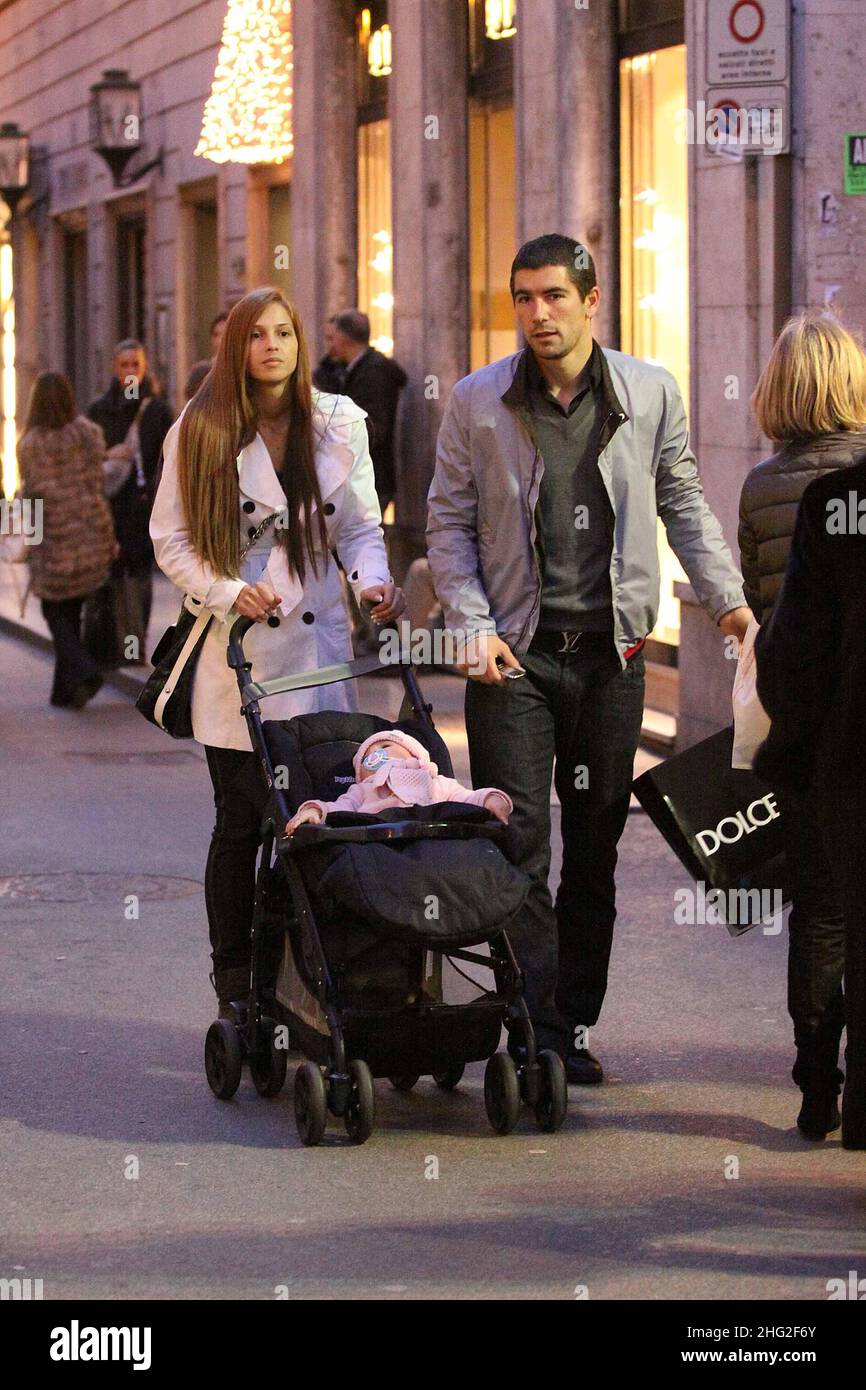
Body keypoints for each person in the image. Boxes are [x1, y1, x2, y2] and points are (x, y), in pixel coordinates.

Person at [427, 232, 751, 1083]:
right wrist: (469, 622)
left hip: (614, 658)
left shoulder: (648, 392)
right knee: (521, 838)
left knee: (596, 846)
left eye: (554, 297)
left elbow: (684, 500)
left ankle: (569, 1023)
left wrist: (729, 603)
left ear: (591, 299)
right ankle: (532, 1025)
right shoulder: (476, 401)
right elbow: (449, 524)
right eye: (523, 299)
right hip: (517, 659)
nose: (538, 314)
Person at [149, 286, 404, 1017]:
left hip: (322, 654)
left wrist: (374, 584)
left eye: (285, 332)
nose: (273, 345)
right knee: (243, 822)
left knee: (318, 818)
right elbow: (170, 539)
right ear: (237, 346)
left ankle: (310, 976)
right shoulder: (201, 430)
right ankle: (236, 982)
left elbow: (358, 526)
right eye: (257, 333)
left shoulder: (337, 421)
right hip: (242, 664)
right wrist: (230, 590)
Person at [739, 313, 866, 1140]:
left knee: (818, 909)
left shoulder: (763, 485)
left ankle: (817, 1084)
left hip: (816, 734)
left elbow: (766, 606)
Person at [17, 372, 116, 707]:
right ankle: (63, 693)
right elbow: (97, 484)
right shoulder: (88, 434)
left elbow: (30, 497)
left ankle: (85, 669)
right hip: (90, 531)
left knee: (54, 611)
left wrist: (18, 536)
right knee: (72, 610)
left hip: (53, 540)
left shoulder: (30, 444)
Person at [86, 339, 173, 663]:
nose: (131, 373)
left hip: (143, 508)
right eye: (125, 366)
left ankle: (134, 648)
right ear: (115, 368)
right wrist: (108, 454)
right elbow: (87, 456)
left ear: (145, 366)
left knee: (138, 581)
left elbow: (169, 457)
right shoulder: (100, 409)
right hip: (107, 509)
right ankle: (110, 648)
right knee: (109, 581)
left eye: (136, 365)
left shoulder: (157, 410)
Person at [286, 728, 512, 832]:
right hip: (378, 840)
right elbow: (338, 809)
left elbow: (466, 798)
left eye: (385, 747)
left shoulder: (433, 781)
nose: (376, 756)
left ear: (415, 755)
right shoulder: (363, 789)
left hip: (432, 836)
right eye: (366, 757)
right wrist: (314, 810)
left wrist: (490, 800)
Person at [319, 310, 407, 511]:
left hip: (371, 477)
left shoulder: (373, 372)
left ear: (343, 337)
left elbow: (374, 428)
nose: (330, 344)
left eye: (333, 337)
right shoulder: (351, 369)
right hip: (361, 476)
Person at [312, 316, 345, 395]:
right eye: (328, 338)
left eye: (333, 338)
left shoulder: (358, 370)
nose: (330, 344)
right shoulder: (321, 374)